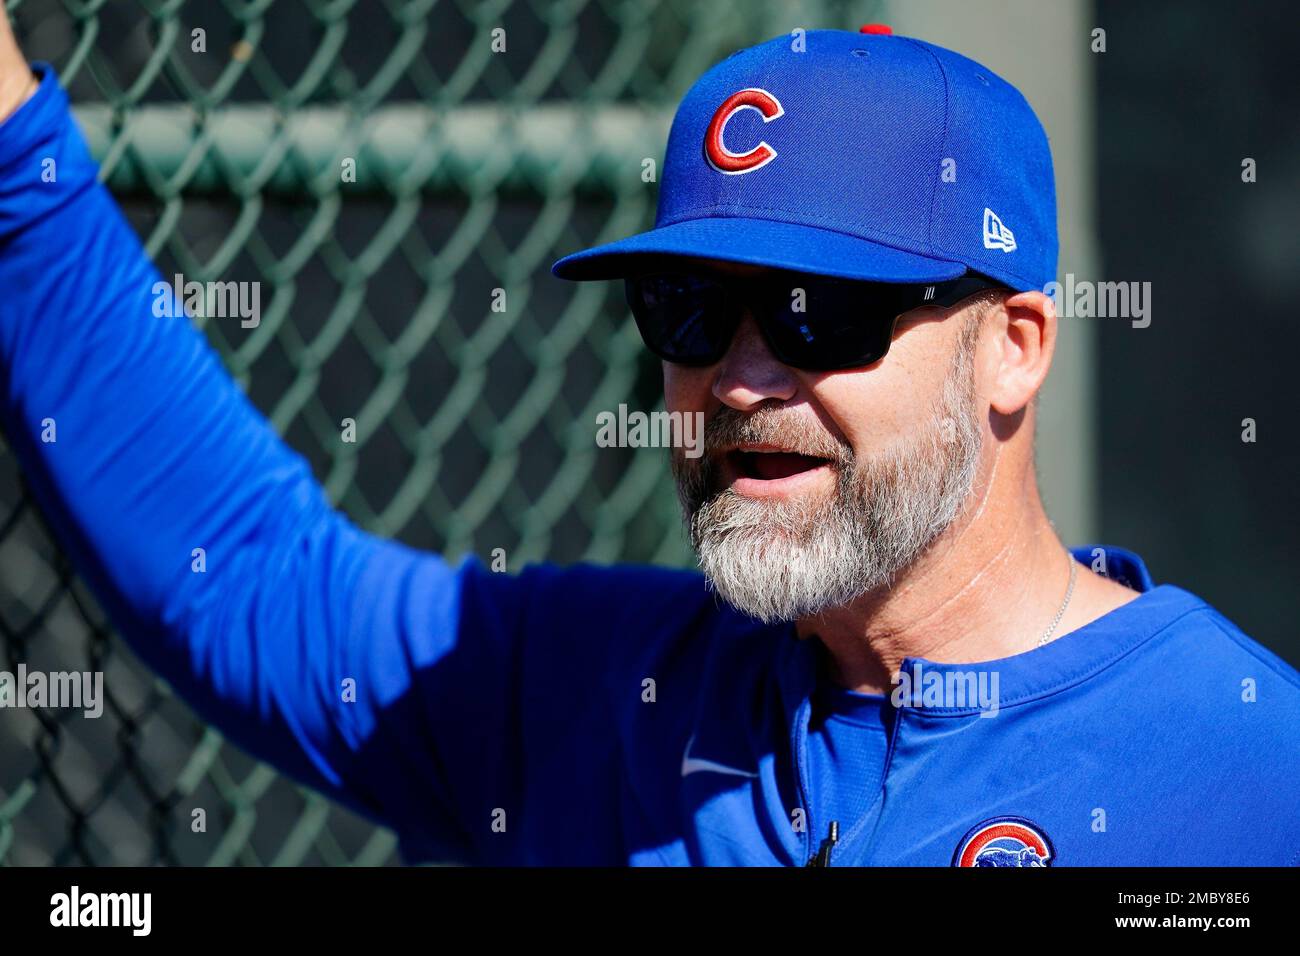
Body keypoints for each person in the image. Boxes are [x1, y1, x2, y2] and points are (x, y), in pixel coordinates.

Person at [0, 16, 1296, 866]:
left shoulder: (1244, 771)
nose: (739, 376)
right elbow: (249, 577)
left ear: (1013, 342)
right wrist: (14, 169)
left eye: (817, 309)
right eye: (687, 307)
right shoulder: (594, 690)